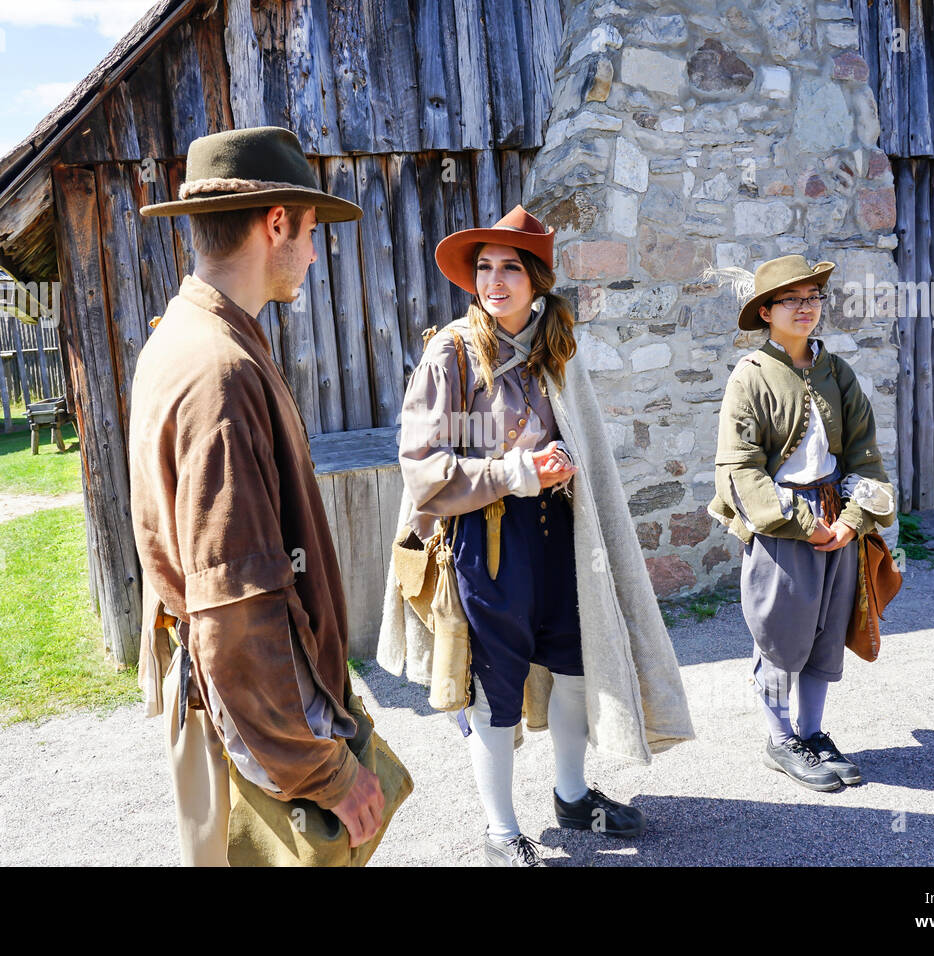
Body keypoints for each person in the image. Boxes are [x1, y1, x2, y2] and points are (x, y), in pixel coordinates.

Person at [379, 206, 694, 866]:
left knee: (577, 666)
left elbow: (585, 447)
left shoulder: (557, 349)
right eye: (485, 268)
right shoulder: (453, 355)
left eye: (511, 268)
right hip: (487, 541)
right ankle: (500, 831)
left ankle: (573, 797)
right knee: (496, 685)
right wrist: (518, 470)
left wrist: (559, 473)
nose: (495, 281)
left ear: (538, 279)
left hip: (560, 537)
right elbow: (423, 469)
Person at [128, 126, 386, 866]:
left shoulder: (184, 336)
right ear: (276, 222)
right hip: (253, 714)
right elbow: (234, 611)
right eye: (309, 233)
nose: (313, 253)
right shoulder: (219, 371)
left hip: (232, 703)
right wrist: (323, 772)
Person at [708, 255, 896, 792]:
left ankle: (812, 734)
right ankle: (780, 737)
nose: (806, 308)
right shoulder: (750, 377)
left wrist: (852, 520)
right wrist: (800, 523)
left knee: (827, 632)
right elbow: (739, 467)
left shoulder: (837, 372)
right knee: (780, 634)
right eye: (792, 299)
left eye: (813, 297)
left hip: (837, 520)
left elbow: (865, 456)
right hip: (782, 528)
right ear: (766, 311)